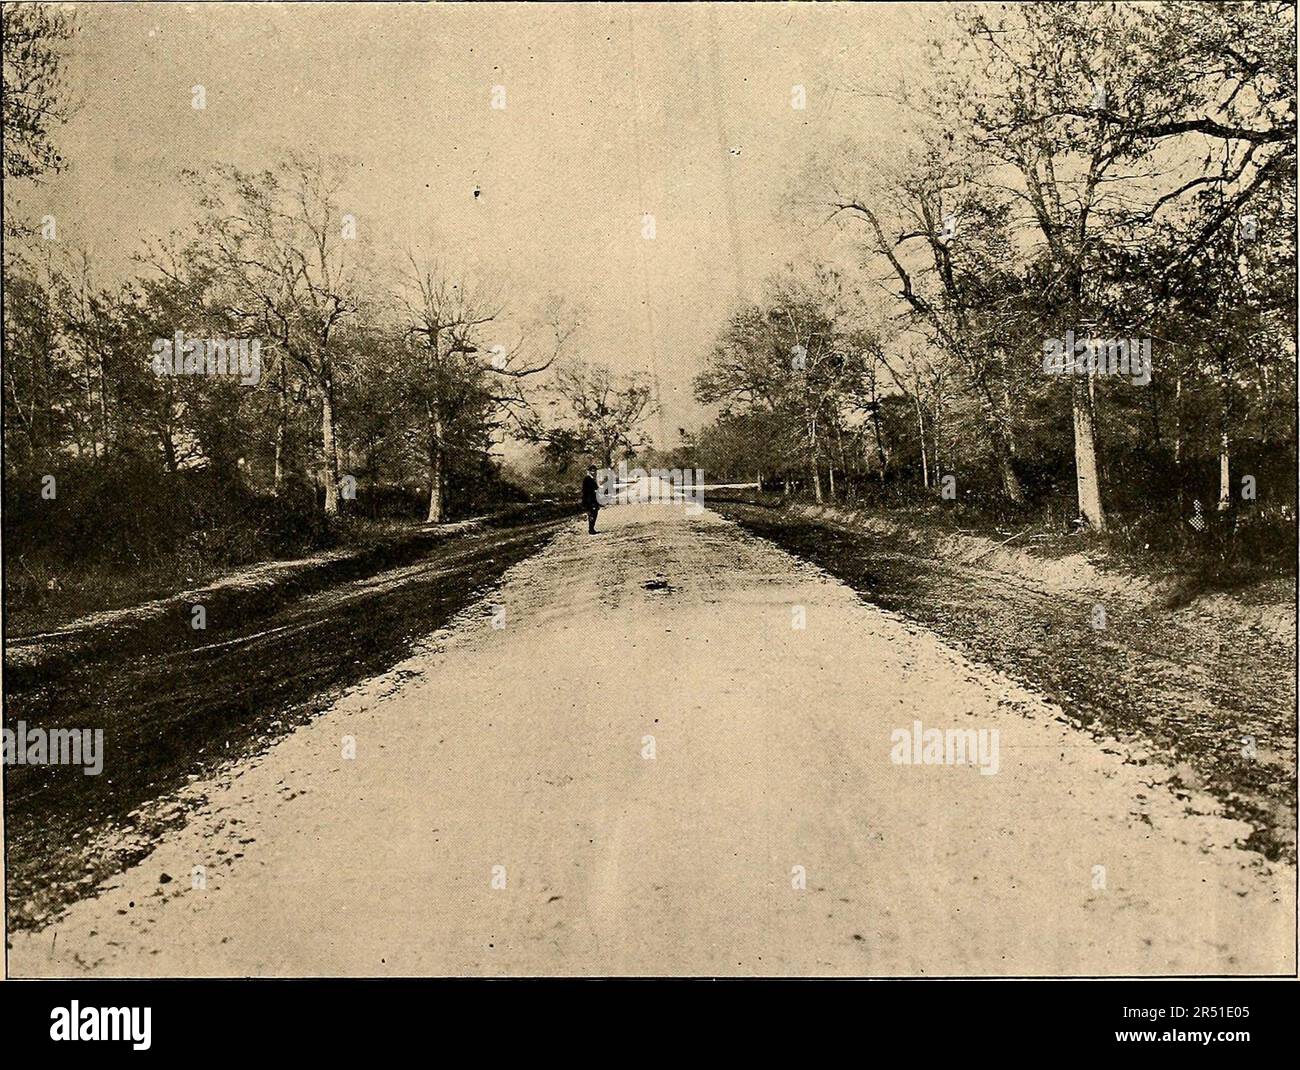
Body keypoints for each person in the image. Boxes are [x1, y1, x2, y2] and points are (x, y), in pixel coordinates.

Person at [581, 464, 600, 534]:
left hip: (594, 499)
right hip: (589, 499)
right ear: (589, 472)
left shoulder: (593, 479)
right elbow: (585, 490)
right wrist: (593, 491)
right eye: (592, 471)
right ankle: (591, 529)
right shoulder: (587, 479)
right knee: (592, 514)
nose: (594, 472)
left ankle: (592, 528)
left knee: (594, 514)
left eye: (595, 471)